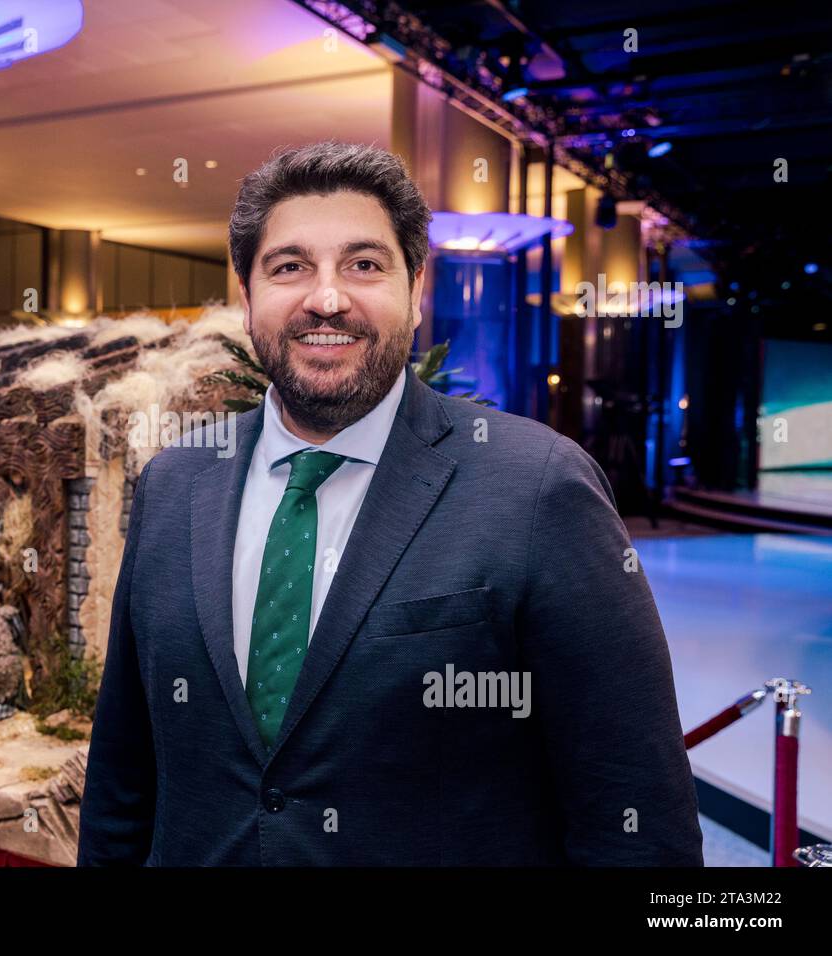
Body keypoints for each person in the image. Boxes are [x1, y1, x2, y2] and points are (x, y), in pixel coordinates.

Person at [78, 141, 703, 866]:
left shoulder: (538, 488)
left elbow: (634, 813)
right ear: (246, 299)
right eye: (290, 267)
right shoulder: (175, 484)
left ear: (417, 290)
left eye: (364, 264)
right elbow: (123, 776)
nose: (327, 297)